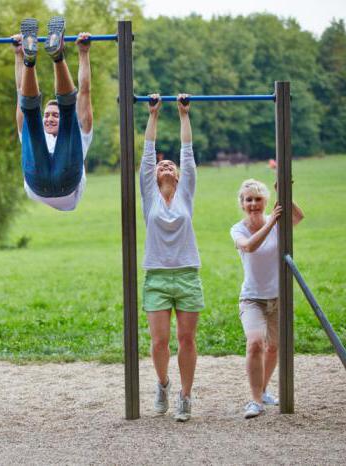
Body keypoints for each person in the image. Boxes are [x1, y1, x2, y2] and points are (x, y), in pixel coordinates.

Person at [140, 93, 203, 422]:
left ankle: (186, 396)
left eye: (170, 165)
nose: (165, 165)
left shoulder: (186, 195)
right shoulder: (149, 197)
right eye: (160, 165)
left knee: (186, 338)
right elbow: (148, 154)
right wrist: (153, 113)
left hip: (187, 275)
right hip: (157, 277)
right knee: (160, 341)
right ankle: (163, 384)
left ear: (178, 176)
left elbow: (188, 155)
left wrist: (183, 114)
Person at [230, 179, 304, 419]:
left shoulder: (278, 223)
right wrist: (271, 221)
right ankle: (255, 401)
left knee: (274, 347)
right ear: (242, 204)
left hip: (279, 297)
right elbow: (249, 246)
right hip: (252, 299)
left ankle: (262, 391)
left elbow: (298, 217)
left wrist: (283, 192)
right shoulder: (238, 229)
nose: (253, 204)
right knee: (255, 343)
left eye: (258, 199)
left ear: (266, 202)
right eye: (248, 199)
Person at [12, 16, 93, 211]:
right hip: (41, 179)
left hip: (60, 181)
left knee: (62, 113)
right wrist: (20, 56)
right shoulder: (33, 135)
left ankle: (50, 57)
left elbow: (84, 92)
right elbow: (20, 90)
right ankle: (45, 58)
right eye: (47, 115)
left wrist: (84, 53)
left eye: (54, 116)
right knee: (31, 115)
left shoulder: (81, 134)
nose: (49, 118)